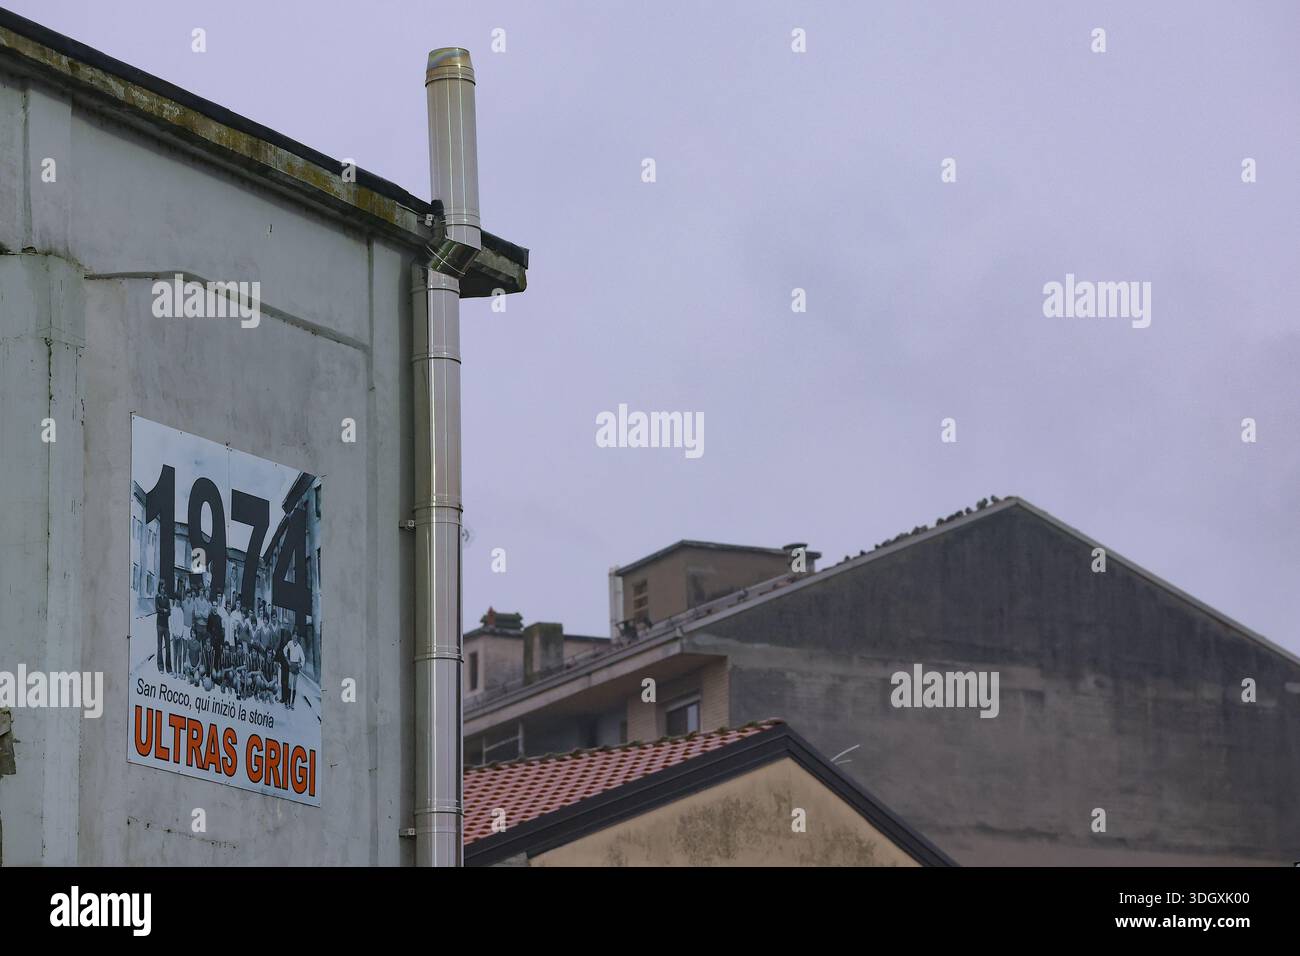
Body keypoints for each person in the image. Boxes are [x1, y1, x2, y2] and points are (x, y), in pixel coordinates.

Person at [284, 629, 306, 710]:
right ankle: (288, 702)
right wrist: (287, 660)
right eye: (294, 635)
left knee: (294, 686)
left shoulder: (299, 647)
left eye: (296, 635)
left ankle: (292, 703)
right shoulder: (290, 643)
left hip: (296, 667)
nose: (295, 636)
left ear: (298, 637)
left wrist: (300, 665)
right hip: (291, 665)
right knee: (289, 685)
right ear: (292, 635)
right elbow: (284, 650)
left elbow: (303, 659)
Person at [154, 584, 172, 674]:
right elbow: (157, 609)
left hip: (166, 625)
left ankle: (169, 668)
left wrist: (164, 611)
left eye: (164, 588)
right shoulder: (157, 597)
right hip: (159, 625)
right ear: (159, 588)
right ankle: (160, 667)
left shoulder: (167, 598)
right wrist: (163, 610)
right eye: (161, 588)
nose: (163, 590)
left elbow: (169, 611)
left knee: (168, 646)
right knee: (160, 647)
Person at [168, 590, 184, 676]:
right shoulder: (173, 610)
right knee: (174, 654)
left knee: (179, 654)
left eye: (179, 600)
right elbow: (172, 623)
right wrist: (174, 633)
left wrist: (180, 634)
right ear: (175, 600)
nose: (178, 601)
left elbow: (181, 623)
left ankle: (180, 671)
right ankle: (174, 671)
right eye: (177, 599)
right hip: (174, 636)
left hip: (180, 636)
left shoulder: (181, 611)